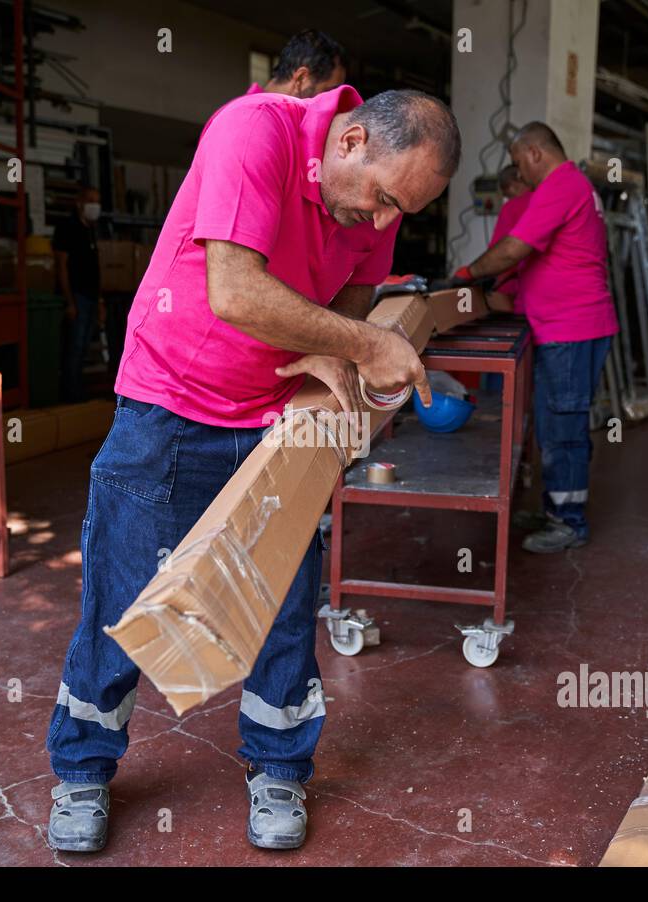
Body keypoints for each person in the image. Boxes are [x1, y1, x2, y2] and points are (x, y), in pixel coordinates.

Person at [45, 86, 461, 853]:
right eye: (380, 198)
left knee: (283, 599)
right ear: (350, 141)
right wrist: (366, 347)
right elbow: (232, 292)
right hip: (169, 403)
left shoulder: (375, 204)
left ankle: (278, 768)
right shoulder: (252, 132)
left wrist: (331, 346)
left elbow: (355, 297)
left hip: (274, 413)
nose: (381, 223)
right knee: (121, 595)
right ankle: (80, 771)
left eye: (400, 211)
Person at [453, 122, 617, 553]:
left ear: (534, 153)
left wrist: (466, 274)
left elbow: (513, 249)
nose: (517, 171)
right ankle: (554, 509)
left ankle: (568, 521)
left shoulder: (562, 185)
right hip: (561, 326)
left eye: (517, 160)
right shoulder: (571, 185)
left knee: (562, 426)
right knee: (552, 423)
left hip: (571, 327)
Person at [52, 186, 101, 403]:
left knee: (83, 347)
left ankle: (78, 390)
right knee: (74, 346)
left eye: (97, 201)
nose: (95, 206)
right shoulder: (67, 227)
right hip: (77, 296)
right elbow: (61, 266)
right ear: (79, 202)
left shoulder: (90, 229)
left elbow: (95, 268)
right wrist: (70, 302)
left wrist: (100, 300)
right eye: (91, 200)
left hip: (90, 296)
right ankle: (70, 395)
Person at [247, 29, 346, 97]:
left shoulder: (280, 115)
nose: (334, 103)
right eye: (328, 92)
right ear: (301, 78)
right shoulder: (257, 119)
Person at [489, 165, 531, 310]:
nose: (508, 198)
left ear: (514, 184)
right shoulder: (548, 200)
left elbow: (499, 256)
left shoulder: (512, 207)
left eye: (507, 194)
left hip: (521, 296)